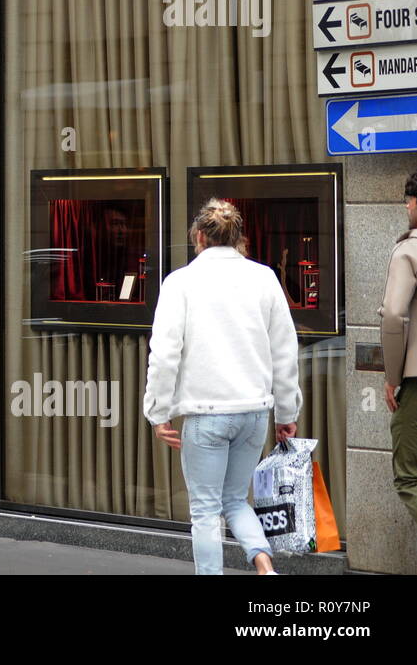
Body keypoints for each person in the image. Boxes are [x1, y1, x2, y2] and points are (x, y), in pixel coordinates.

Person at [143, 199, 301, 575]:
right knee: (235, 499)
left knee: (205, 510)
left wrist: (158, 412)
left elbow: (164, 354)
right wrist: (287, 412)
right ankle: (263, 564)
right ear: (238, 239)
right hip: (254, 412)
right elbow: (284, 350)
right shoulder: (264, 277)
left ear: (198, 237)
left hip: (206, 414)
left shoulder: (180, 282)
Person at [377, 172, 417, 528]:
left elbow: (394, 315)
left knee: (409, 475)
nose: (406, 205)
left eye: (409, 198)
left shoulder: (409, 249)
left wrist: (392, 377)